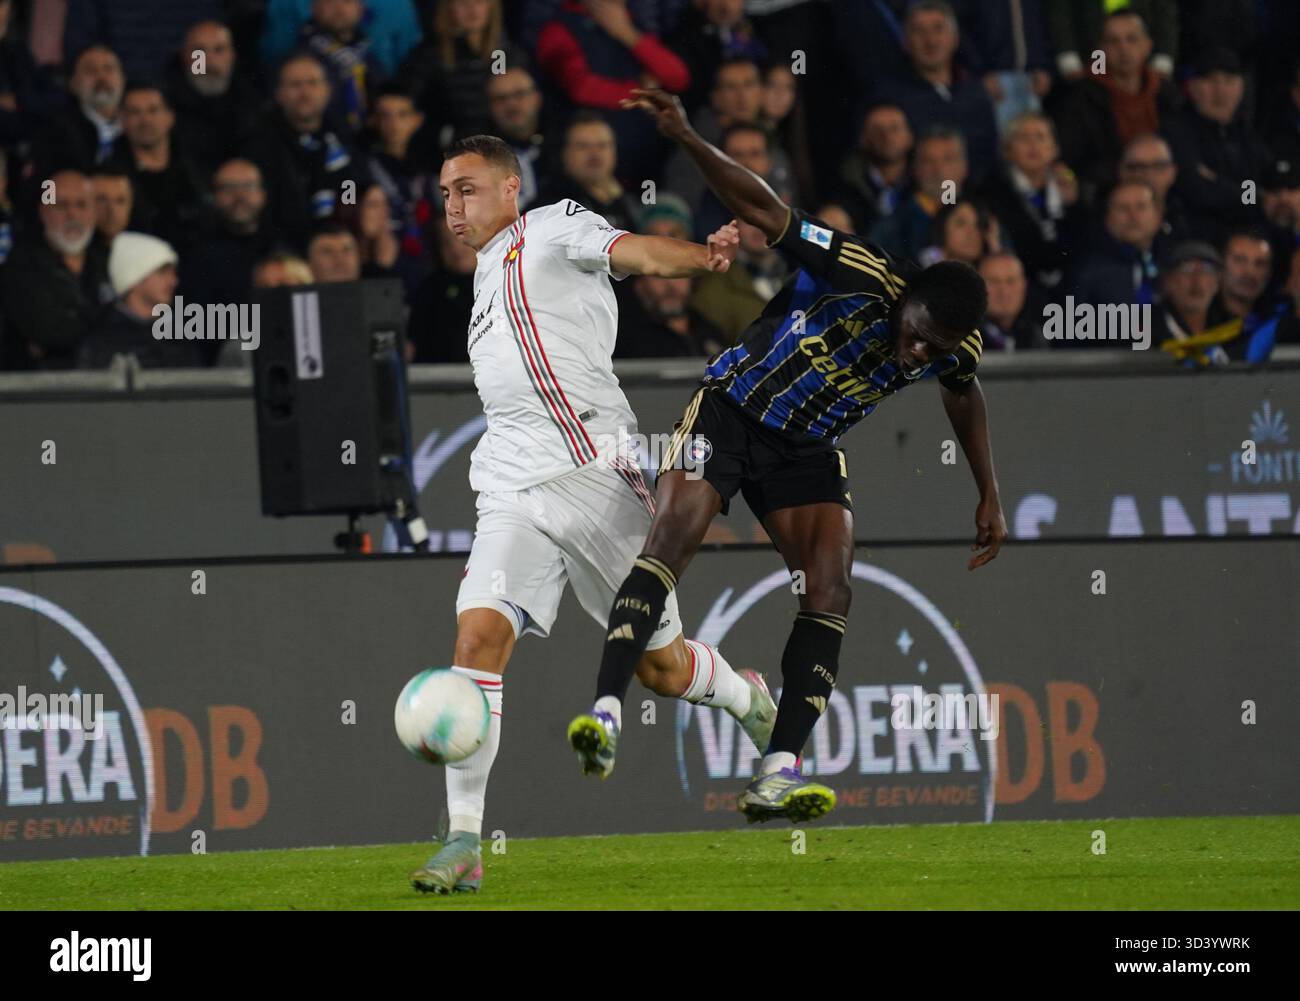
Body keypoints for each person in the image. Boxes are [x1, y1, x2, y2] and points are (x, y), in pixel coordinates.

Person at [569, 88, 1005, 824]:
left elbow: (964, 395)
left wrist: (987, 491)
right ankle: (606, 710)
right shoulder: (863, 274)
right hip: (732, 412)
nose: (913, 351)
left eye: (928, 349)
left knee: (830, 589)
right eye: (912, 333)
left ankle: (778, 768)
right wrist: (685, 137)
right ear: (908, 300)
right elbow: (768, 212)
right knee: (670, 544)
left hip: (803, 446)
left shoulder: (951, 347)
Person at [407, 134, 776, 894]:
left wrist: (698, 259)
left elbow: (633, 252)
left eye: (468, 189)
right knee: (477, 636)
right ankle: (465, 841)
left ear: (511, 190)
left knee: (662, 668)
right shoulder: (479, 284)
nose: (453, 207)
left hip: (595, 478)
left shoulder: (549, 226)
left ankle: (745, 696)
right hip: (510, 487)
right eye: (445, 193)